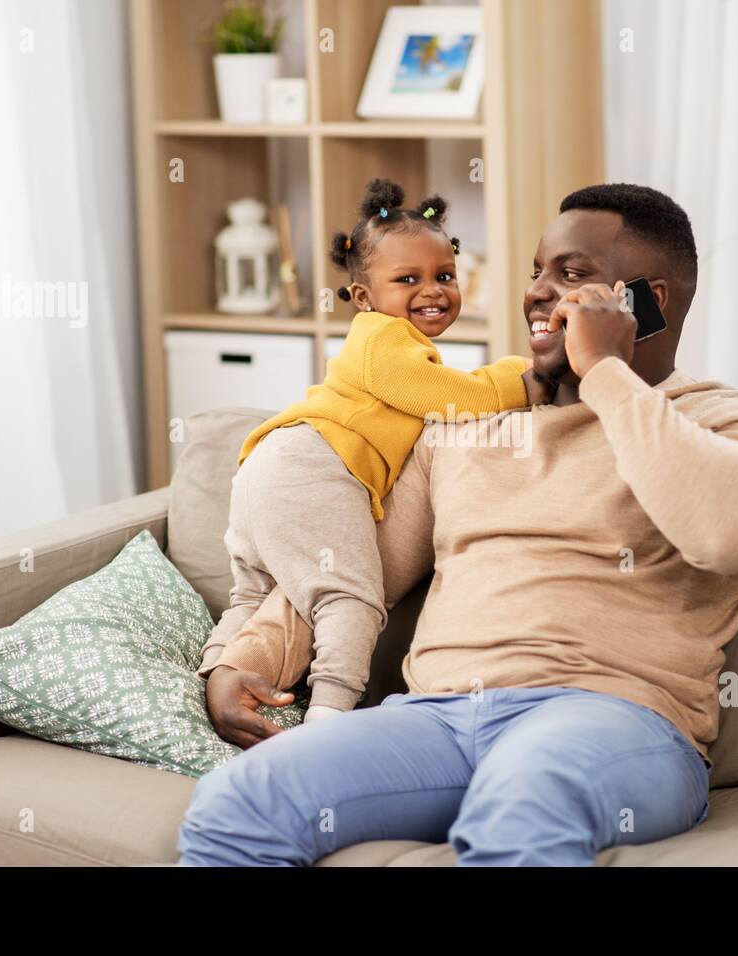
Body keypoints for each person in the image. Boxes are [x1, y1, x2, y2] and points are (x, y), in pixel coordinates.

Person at [181, 183, 738, 866]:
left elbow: (729, 534)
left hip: (614, 723)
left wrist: (607, 374)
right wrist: (240, 660)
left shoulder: (719, 421)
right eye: (537, 271)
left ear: (647, 300)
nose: (537, 291)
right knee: (234, 804)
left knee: (520, 807)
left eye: (571, 275)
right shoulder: (463, 432)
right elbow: (353, 570)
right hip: (436, 720)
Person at [204, 178, 545, 727]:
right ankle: (330, 718)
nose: (433, 290)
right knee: (351, 599)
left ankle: (218, 670)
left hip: (268, 470)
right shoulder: (383, 339)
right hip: (309, 464)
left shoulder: (397, 346)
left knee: (260, 592)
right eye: (407, 279)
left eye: (444, 276)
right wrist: (524, 378)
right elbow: (459, 399)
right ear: (364, 298)